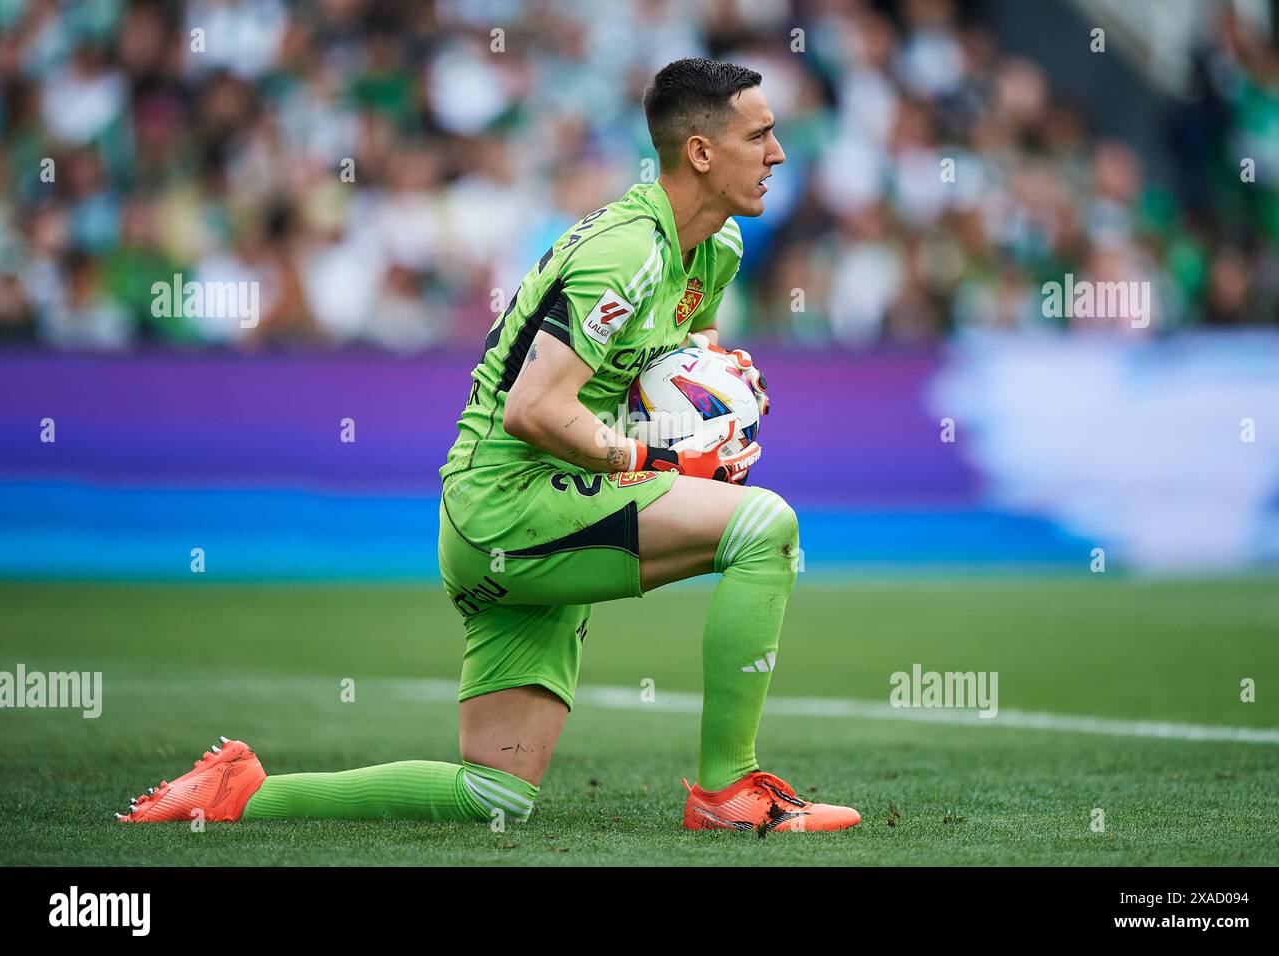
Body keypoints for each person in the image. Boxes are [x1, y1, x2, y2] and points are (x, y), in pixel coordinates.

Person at [118, 58, 860, 833]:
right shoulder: (628, 250)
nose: (778, 153)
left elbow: (675, 356)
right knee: (763, 527)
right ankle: (728, 794)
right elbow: (532, 411)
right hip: (506, 502)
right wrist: (661, 461)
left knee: (494, 797)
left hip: (535, 508)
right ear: (702, 152)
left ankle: (238, 794)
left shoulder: (718, 247)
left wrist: (715, 409)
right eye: (761, 134)